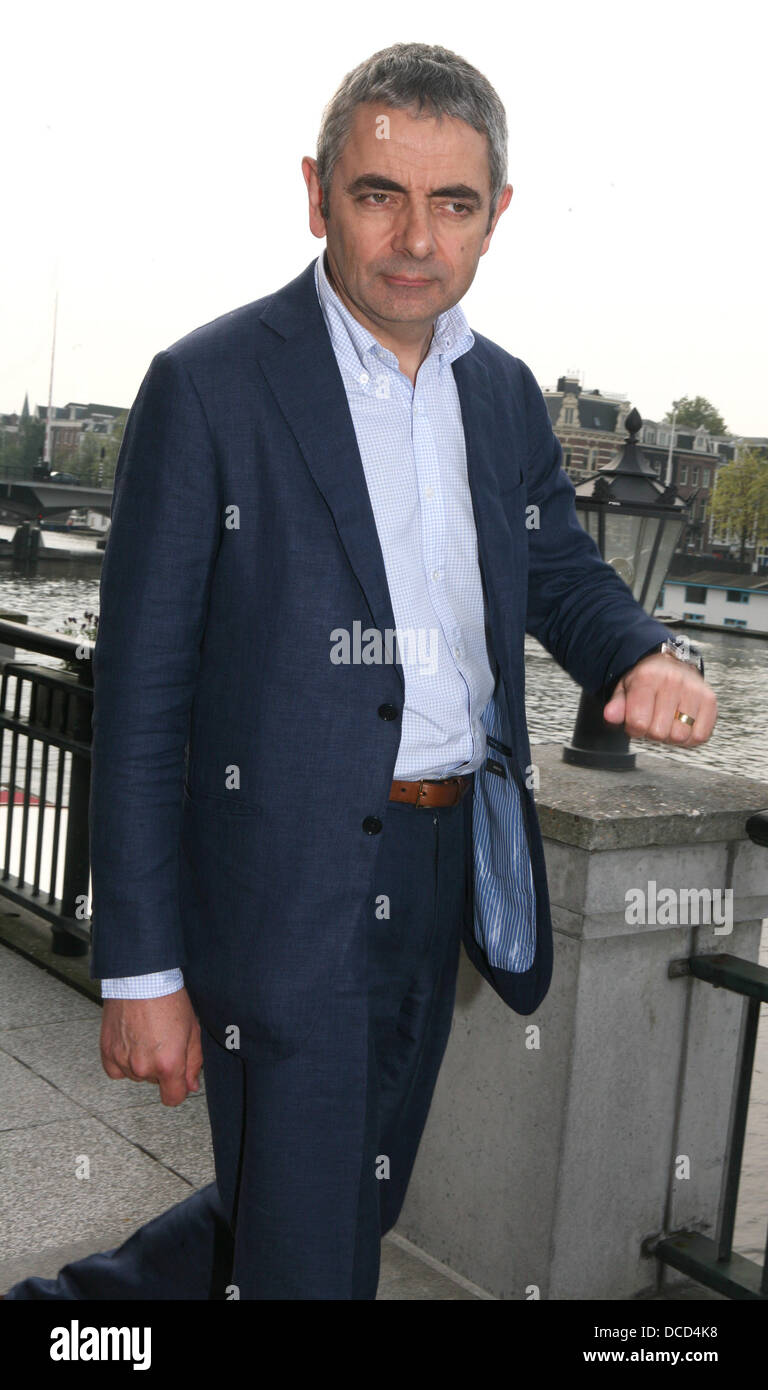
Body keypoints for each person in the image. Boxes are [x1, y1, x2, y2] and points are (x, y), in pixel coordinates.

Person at [4, 41, 716, 1302]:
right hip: (277, 878)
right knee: (316, 1249)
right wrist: (142, 966)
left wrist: (644, 651)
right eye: (380, 193)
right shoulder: (208, 386)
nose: (414, 237)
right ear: (317, 191)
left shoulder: (499, 396)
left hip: (438, 868)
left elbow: (557, 573)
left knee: (347, 1192)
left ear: (496, 215)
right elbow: (147, 693)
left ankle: (82, 1314)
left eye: (452, 203)